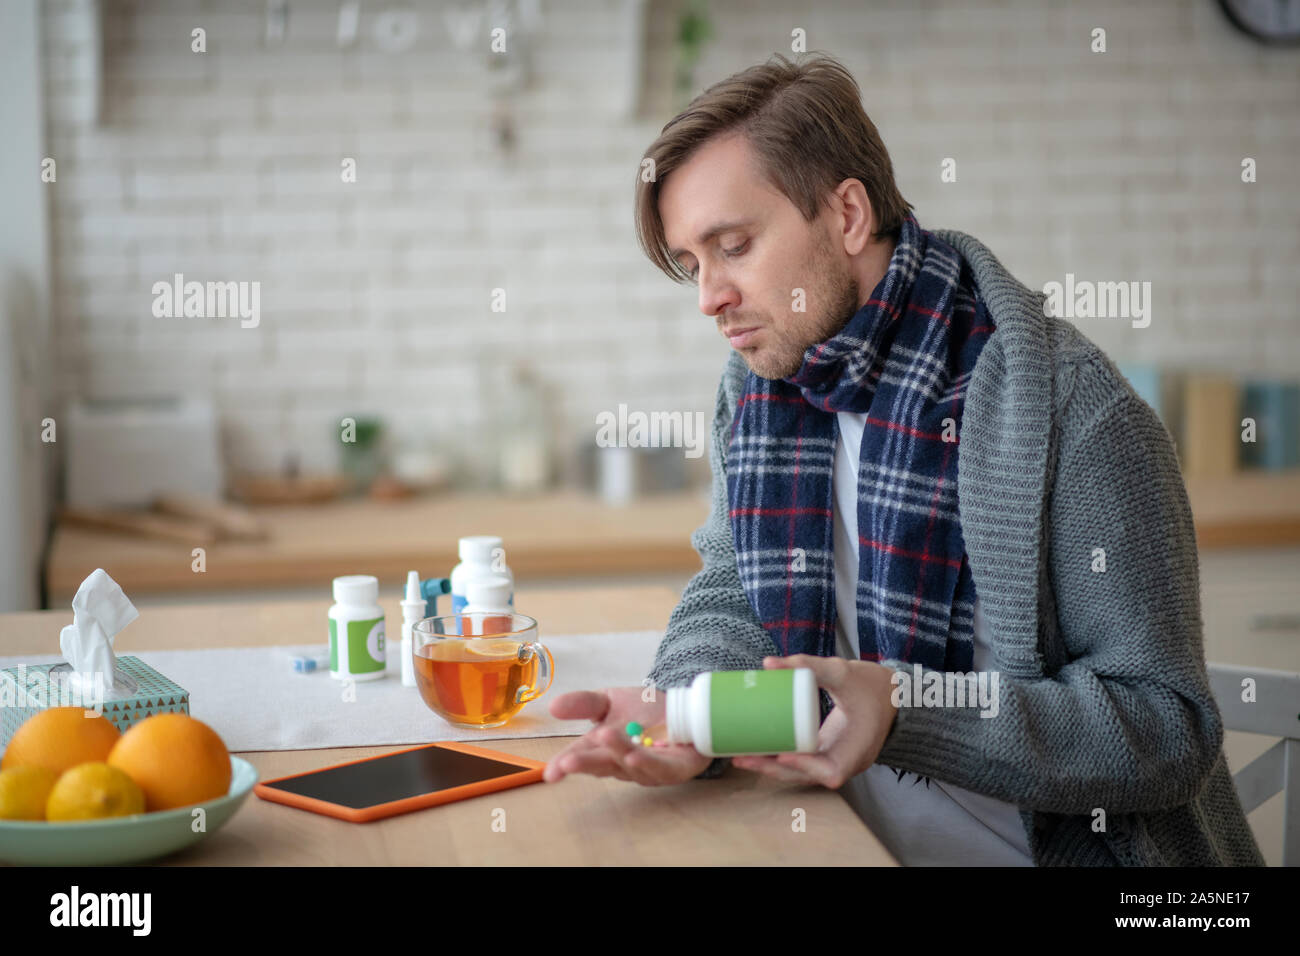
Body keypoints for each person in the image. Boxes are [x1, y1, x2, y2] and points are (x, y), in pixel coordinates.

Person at [543, 52, 1264, 867]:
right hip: (840, 840)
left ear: (847, 214)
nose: (709, 295)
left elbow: (1169, 730)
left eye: (733, 246)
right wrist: (684, 713)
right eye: (692, 266)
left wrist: (906, 709)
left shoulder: (1071, 408)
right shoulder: (762, 385)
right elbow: (736, 585)